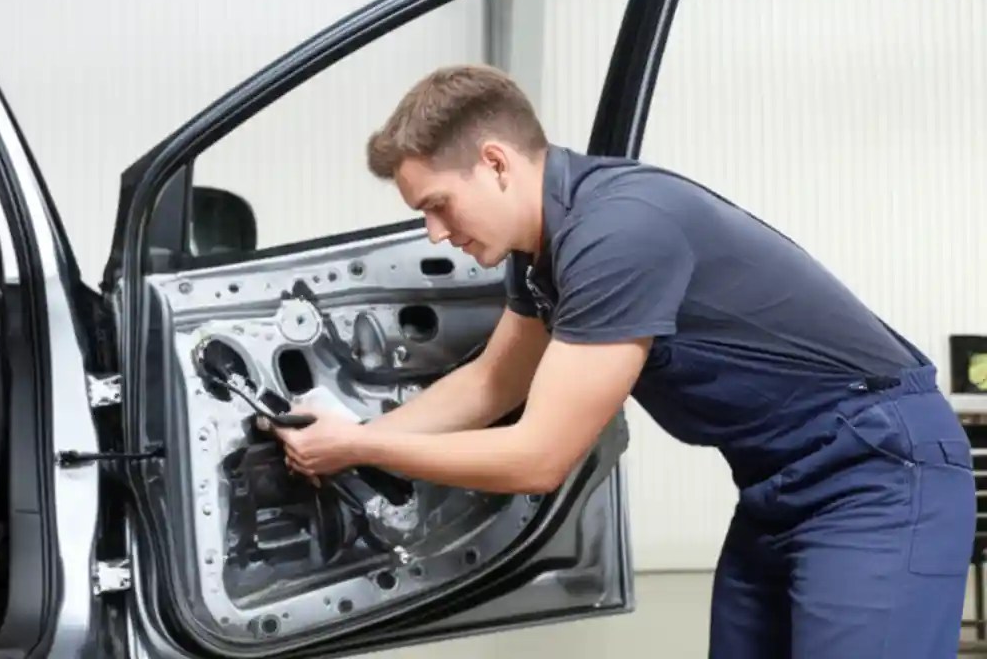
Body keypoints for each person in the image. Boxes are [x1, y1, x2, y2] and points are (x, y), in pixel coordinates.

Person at [267, 64, 975, 658]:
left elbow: (540, 457)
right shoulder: (544, 253)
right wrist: (359, 437)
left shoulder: (620, 232)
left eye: (439, 204)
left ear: (494, 163)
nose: (435, 230)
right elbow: (489, 383)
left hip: (878, 472)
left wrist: (359, 445)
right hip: (775, 485)